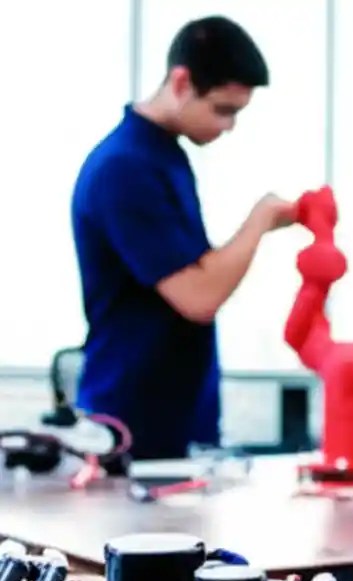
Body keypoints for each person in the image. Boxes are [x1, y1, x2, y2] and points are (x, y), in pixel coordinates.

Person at [71, 16, 296, 460]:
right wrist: (259, 221)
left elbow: (195, 271)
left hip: (175, 416)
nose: (229, 126)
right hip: (132, 423)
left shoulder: (164, 156)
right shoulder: (126, 167)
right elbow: (198, 295)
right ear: (181, 81)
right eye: (222, 109)